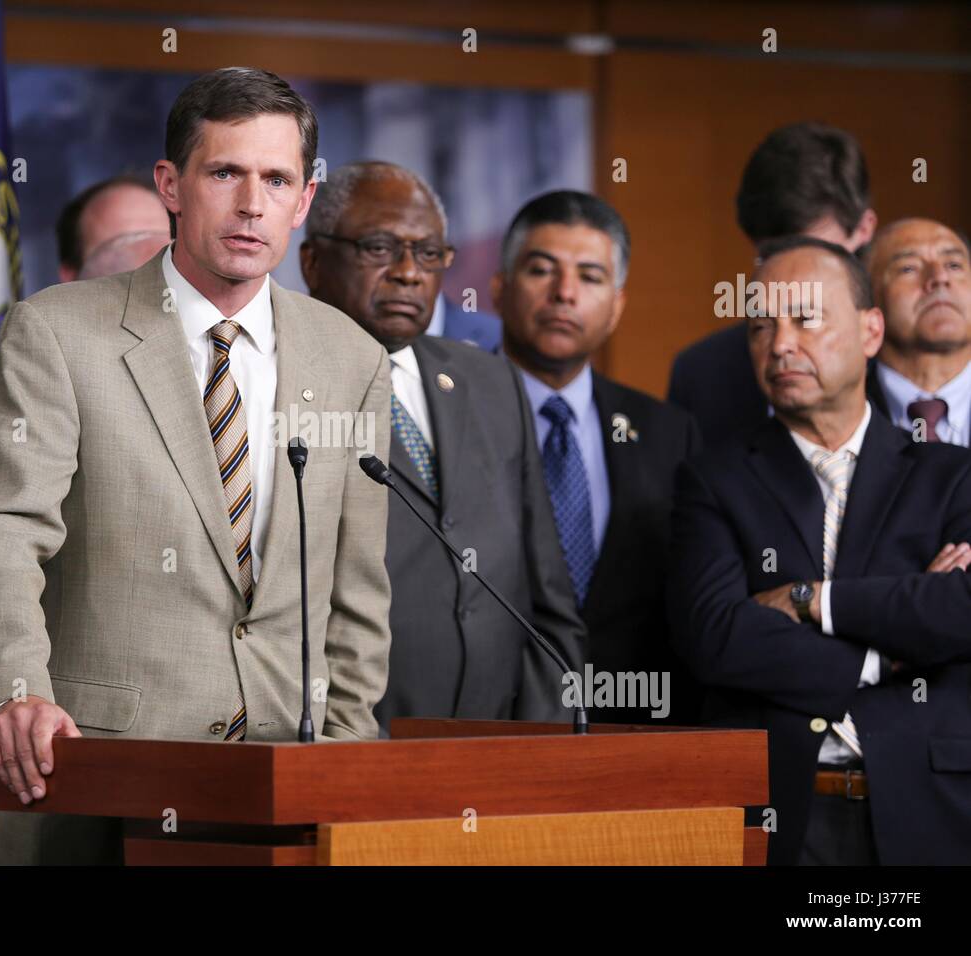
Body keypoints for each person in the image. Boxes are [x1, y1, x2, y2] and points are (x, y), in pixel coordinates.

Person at [0, 67, 392, 864]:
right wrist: (15, 690)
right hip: (97, 782)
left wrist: (346, 760)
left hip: (286, 795)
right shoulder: (59, 333)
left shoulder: (352, 357)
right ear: (171, 186)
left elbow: (355, 593)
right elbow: (0, 532)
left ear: (303, 199)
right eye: (225, 172)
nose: (252, 203)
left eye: (277, 179)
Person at [669, 236, 971, 865]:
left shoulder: (950, 475)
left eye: (805, 318)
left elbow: (960, 610)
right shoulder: (713, 477)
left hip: (927, 808)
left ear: (870, 330)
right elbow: (717, 636)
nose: (780, 344)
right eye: (760, 327)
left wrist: (813, 601)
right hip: (778, 811)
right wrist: (884, 654)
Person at [300, 162, 585, 730]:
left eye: (430, 253)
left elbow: (548, 600)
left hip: (497, 749)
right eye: (380, 247)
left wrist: (544, 740)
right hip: (349, 747)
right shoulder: (282, 386)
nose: (409, 273)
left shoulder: (490, 382)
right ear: (312, 261)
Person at [494, 191, 702, 724]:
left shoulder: (668, 432)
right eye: (542, 270)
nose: (565, 293)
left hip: (632, 725)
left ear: (617, 306)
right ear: (499, 288)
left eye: (590, 277)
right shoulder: (451, 414)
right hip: (486, 724)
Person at [668, 123, 878, 445]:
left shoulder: (915, 361)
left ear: (863, 229)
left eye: (815, 252)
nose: (791, 273)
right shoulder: (702, 374)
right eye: (771, 254)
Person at [0, 175, 171, 423]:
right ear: (71, 277)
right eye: (119, 254)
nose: (149, 272)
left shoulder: (214, 385)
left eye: (164, 251)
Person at [865, 218, 971, 446]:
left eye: (954, 265)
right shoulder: (836, 411)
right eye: (908, 268)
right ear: (867, 298)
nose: (940, 278)